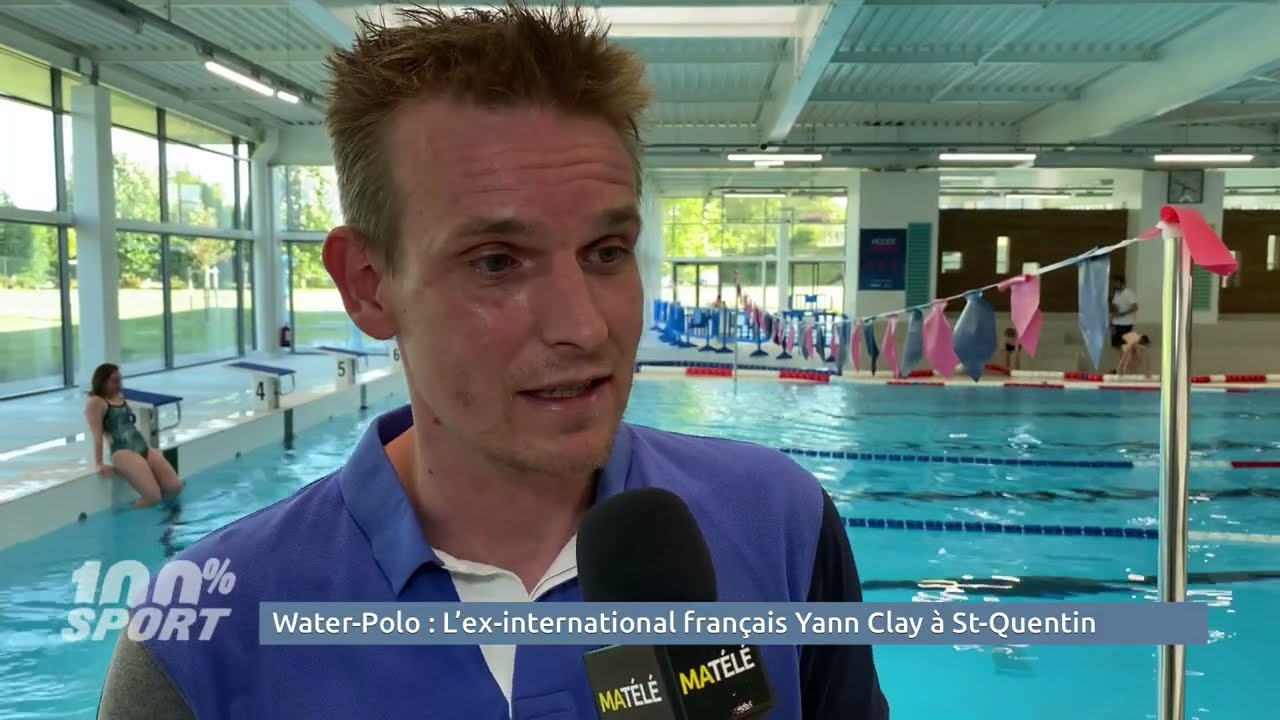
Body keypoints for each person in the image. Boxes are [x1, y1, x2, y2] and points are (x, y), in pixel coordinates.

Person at [98, 6, 888, 720]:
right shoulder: (205, 638)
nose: (583, 326)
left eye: (606, 251)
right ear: (368, 285)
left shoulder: (778, 522)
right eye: (498, 262)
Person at [84, 363, 183, 509]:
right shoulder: (96, 402)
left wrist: (149, 448)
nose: (119, 384)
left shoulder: (119, 396)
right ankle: (126, 514)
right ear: (102, 381)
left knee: (174, 487)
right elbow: (97, 435)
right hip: (123, 451)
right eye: (114, 381)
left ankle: (164, 515)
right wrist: (99, 463)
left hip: (141, 446)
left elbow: (128, 424)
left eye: (120, 380)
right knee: (152, 497)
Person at [1110, 275, 1137, 350]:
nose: (1113, 285)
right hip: (1116, 323)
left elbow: (1135, 307)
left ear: (1119, 282)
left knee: (1123, 345)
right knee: (1115, 345)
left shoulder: (1128, 293)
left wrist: (1123, 314)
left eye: (1114, 283)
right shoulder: (1116, 293)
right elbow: (1116, 306)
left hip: (1125, 324)